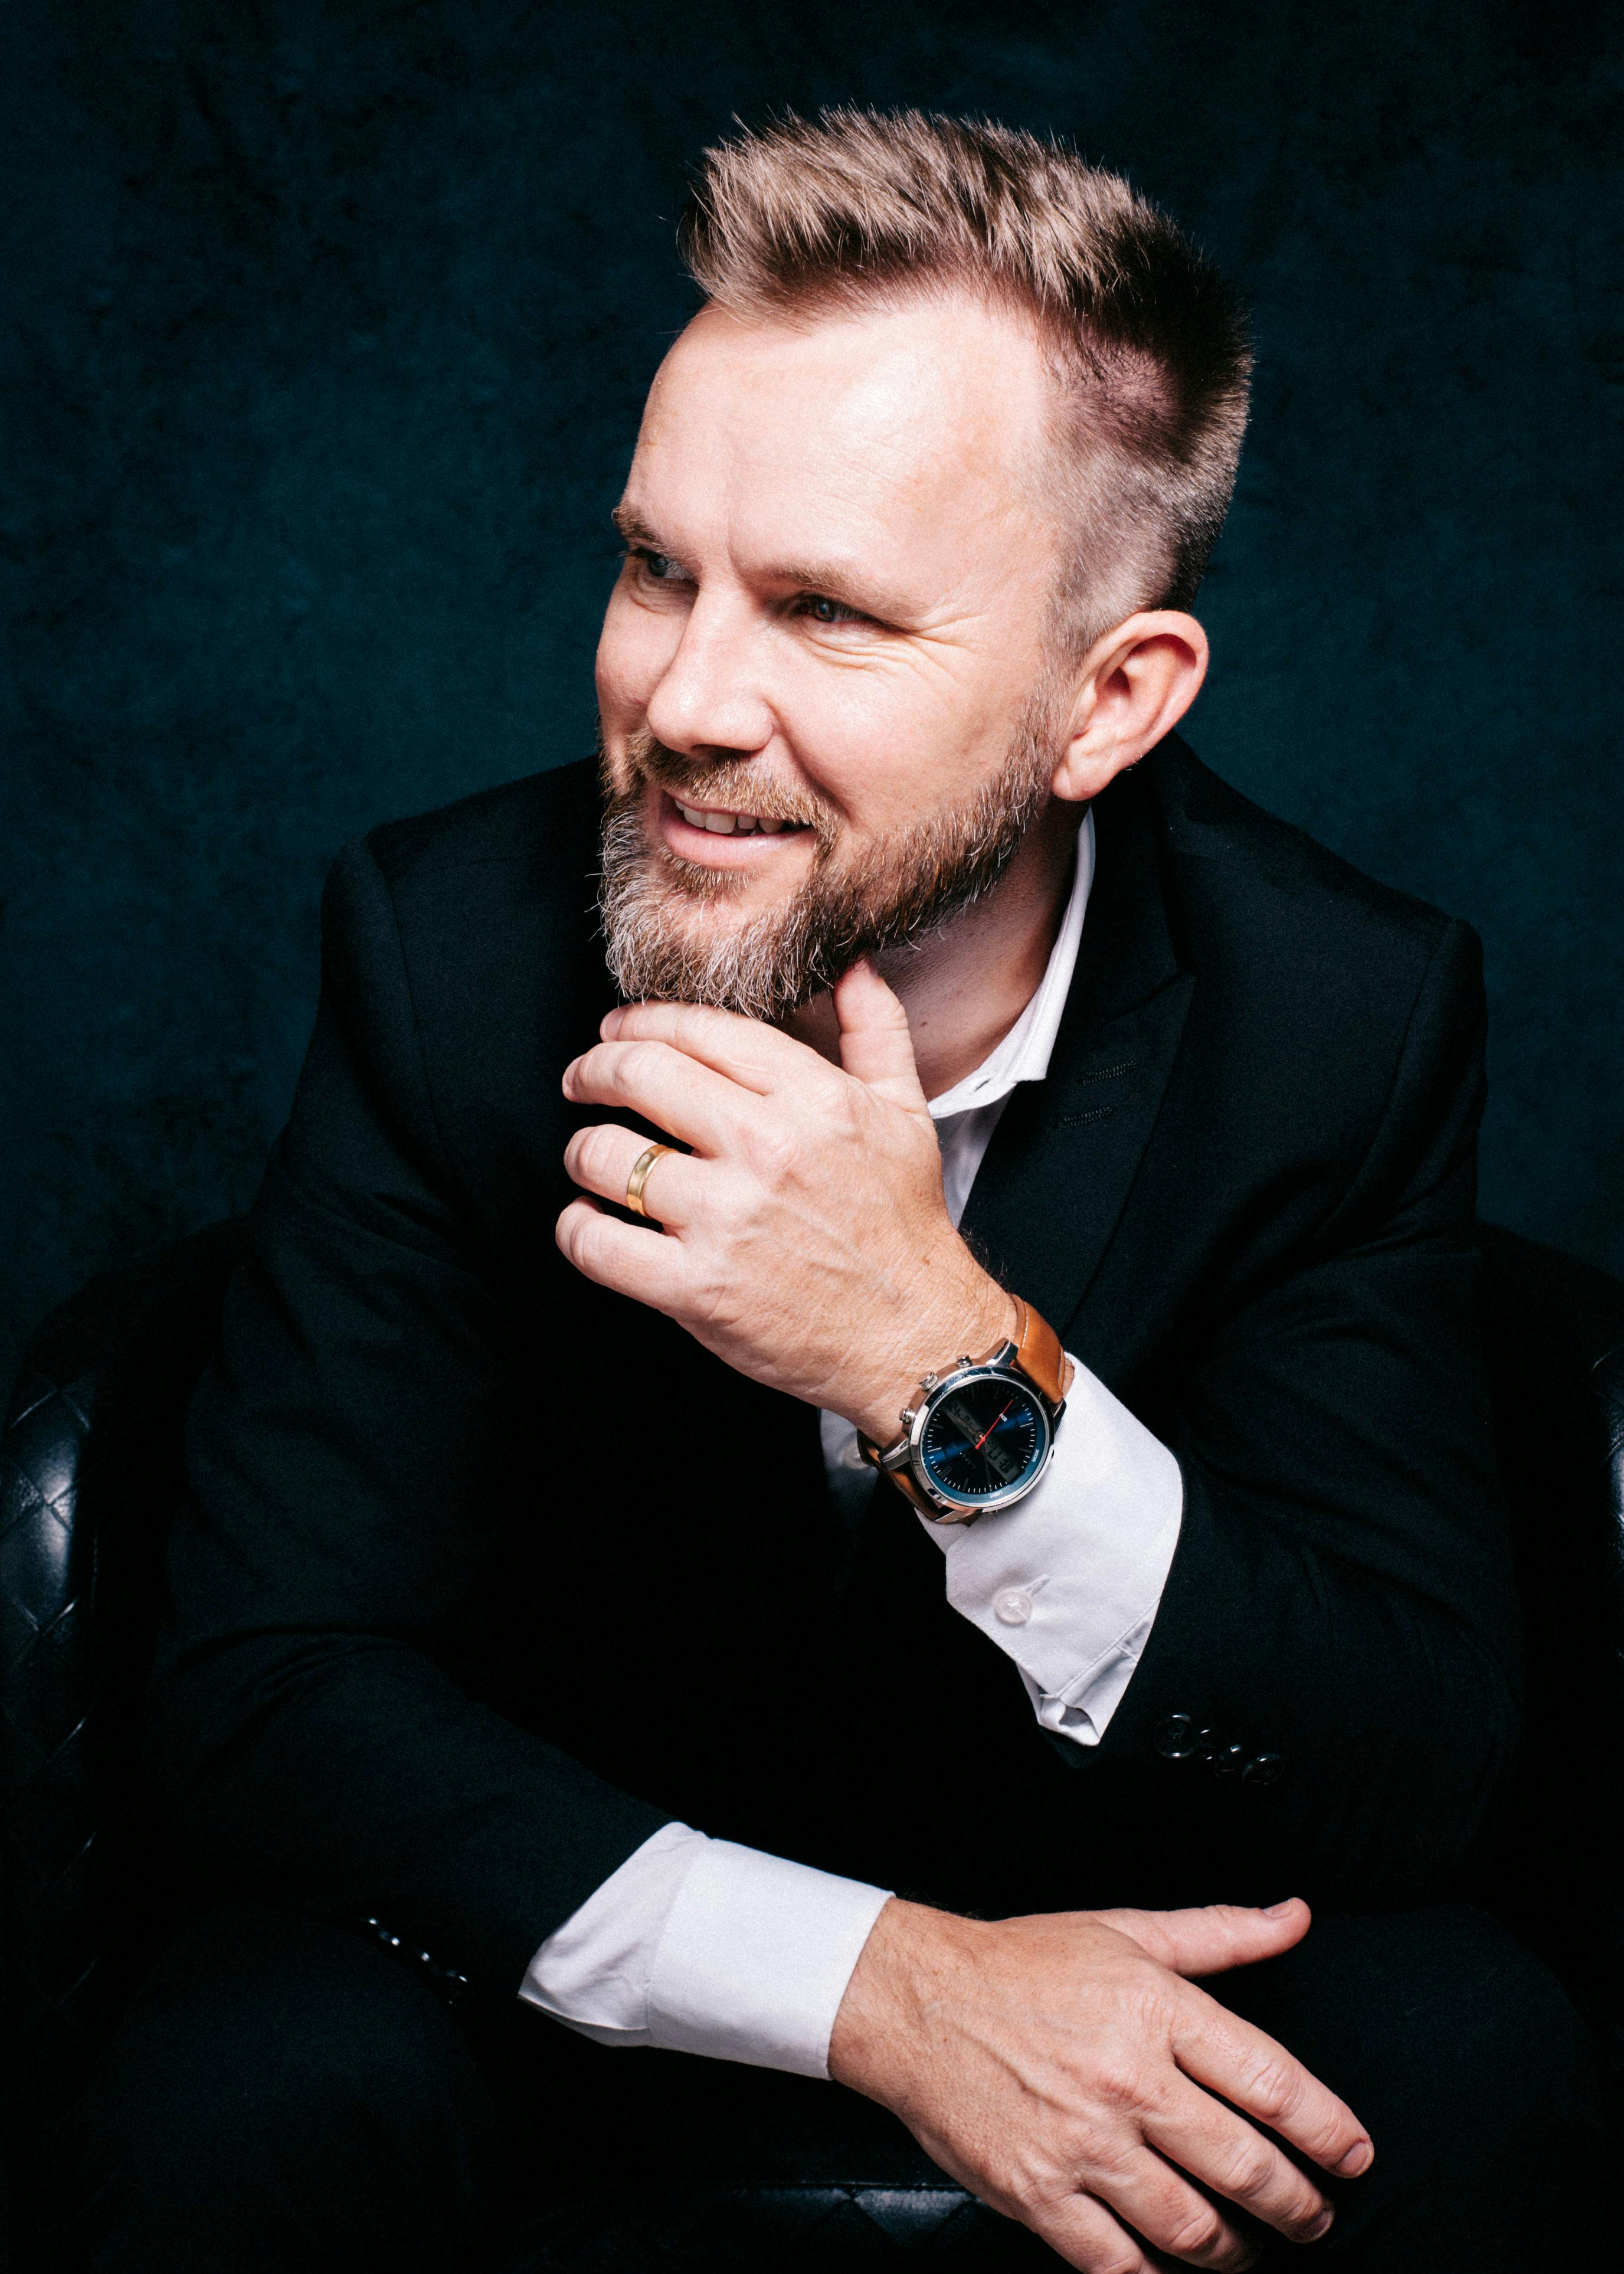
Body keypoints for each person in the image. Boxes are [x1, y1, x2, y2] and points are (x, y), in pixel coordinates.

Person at [70, 109, 1609, 2273]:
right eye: (650, 567)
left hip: (1124, 1884)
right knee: (241, 2091)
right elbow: (271, 1686)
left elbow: (1412, 1759)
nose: (683, 700)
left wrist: (936, 1359)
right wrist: (883, 1991)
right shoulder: (450, 950)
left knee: (1470, 2061)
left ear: (1107, 703)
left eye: (826, 610)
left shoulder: (1334, 1014)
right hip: (567, 1917)